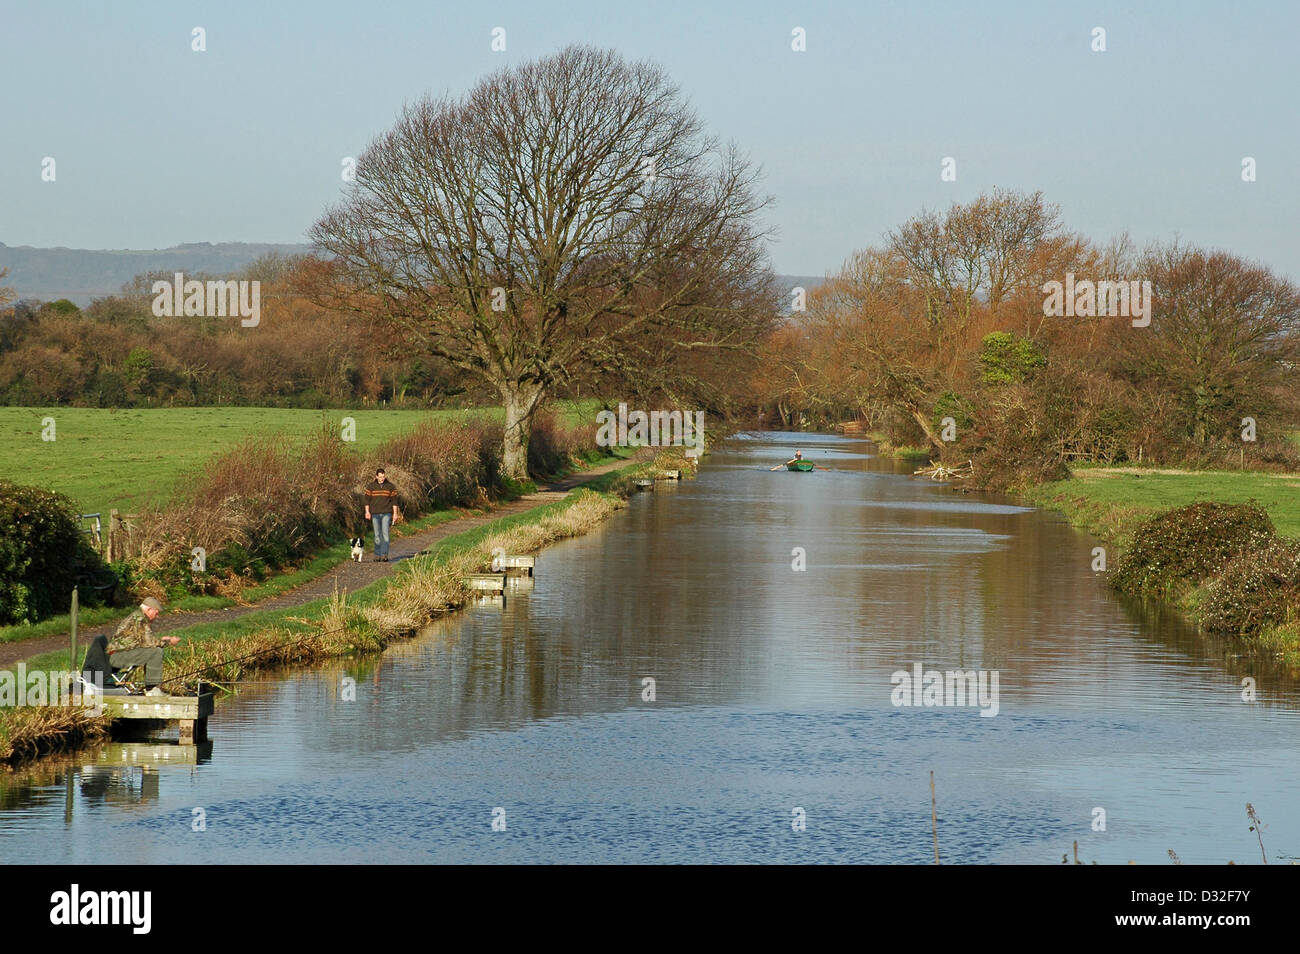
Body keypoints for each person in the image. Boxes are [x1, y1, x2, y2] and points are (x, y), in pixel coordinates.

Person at [108, 597, 179, 693]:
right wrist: (169, 641)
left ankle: (152, 687)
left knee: (153, 651)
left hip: (119, 654)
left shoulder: (137, 617)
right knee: (156, 652)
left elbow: (145, 641)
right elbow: (149, 643)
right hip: (117, 657)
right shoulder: (139, 619)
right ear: (149, 610)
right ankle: (152, 688)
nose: (157, 616)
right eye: (156, 613)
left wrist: (161, 640)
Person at [363, 467, 401, 562]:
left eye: (383, 477)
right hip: (375, 513)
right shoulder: (371, 486)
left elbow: (394, 501)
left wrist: (395, 514)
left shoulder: (390, 486)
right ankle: (377, 555)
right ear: (376, 476)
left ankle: (384, 555)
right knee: (377, 535)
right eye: (380, 477)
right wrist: (367, 512)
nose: (382, 479)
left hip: (386, 513)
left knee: (385, 534)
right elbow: (367, 500)